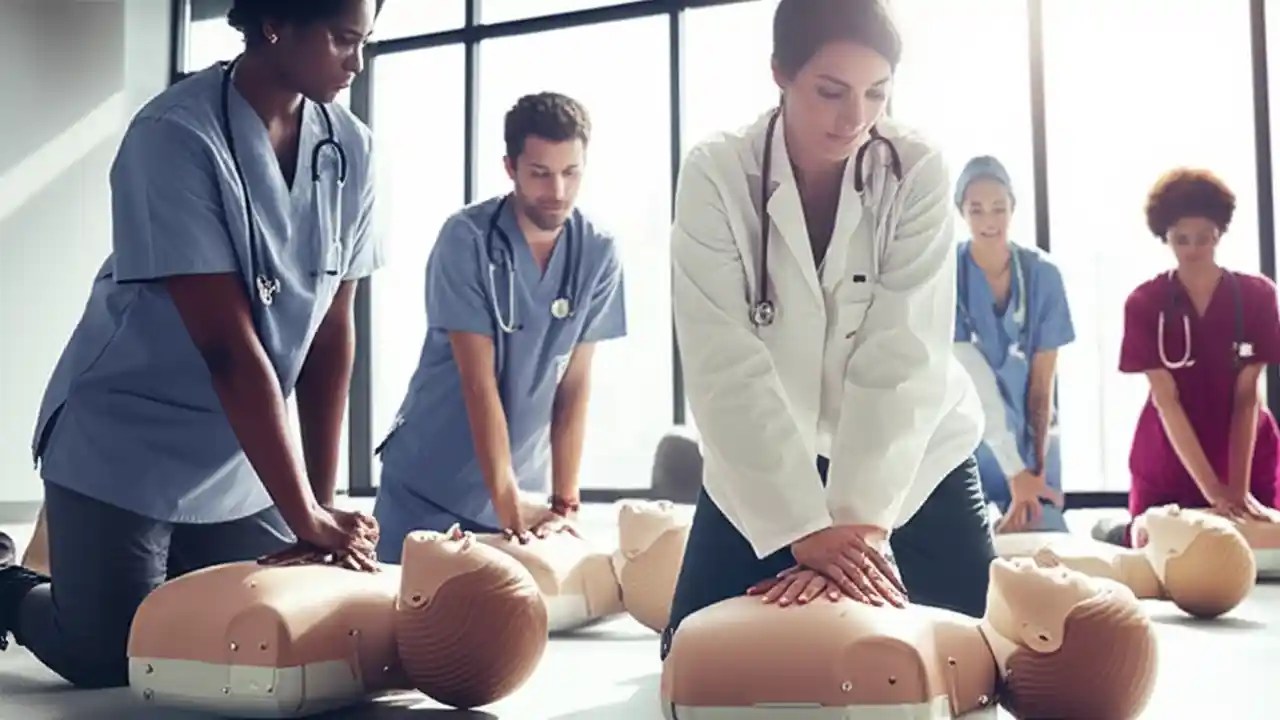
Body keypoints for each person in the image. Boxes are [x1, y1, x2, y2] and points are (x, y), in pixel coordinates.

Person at [0, 0, 382, 688]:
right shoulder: (173, 135)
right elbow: (228, 352)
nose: (357, 61)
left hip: (241, 452)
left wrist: (316, 508)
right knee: (109, 654)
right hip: (126, 437)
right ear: (275, 24)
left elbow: (332, 337)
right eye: (343, 39)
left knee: (263, 631)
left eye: (365, 41)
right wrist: (304, 514)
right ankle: (3, 580)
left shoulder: (351, 148)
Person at [664, 0, 994, 658]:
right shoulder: (717, 174)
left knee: (974, 653)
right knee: (693, 659)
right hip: (765, 458)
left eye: (877, 92)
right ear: (780, 73)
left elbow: (904, 354)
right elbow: (723, 363)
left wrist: (859, 528)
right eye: (831, 91)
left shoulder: (917, 168)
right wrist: (800, 527)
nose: (856, 118)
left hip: (914, 452)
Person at [372, 92, 627, 563]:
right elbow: (478, 383)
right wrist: (510, 510)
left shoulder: (598, 251)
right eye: (540, 173)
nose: (558, 191)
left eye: (571, 173)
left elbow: (574, 384)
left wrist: (564, 505)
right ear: (510, 167)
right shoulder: (467, 240)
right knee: (407, 625)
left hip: (516, 489)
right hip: (429, 485)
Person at [1098, 168, 1280, 546]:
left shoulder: (1257, 297)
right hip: (1169, 456)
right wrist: (1214, 490)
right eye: (1182, 239)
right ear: (1165, 237)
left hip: (1244, 456)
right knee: (1165, 550)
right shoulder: (1145, 303)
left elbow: (1247, 395)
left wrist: (1237, 490)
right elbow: (1167, 399)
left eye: (1204, 238)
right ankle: (1117, 532)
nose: (1194, 250)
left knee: (1253, 549)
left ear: (1220, 233)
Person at [951, 156, 1075, 534]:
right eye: (977, 209)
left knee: (1044, 539)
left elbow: (1042, 382)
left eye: (999, 208)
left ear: (1013, 208)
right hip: (966, 437)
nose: (989, 220)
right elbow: (975, 383)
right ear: (961, 212)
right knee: (970, 552)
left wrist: (1034, 471)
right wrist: (1014, 473)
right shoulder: (946, 276)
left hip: (1029, 438)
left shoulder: (1043, 276)